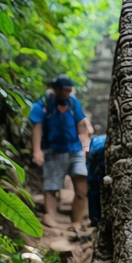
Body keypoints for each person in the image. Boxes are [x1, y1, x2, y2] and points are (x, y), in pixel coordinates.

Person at [29, 75, 94, 230]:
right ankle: (50, 218)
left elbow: (81, 124)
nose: (68, 93)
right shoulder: (43, 105)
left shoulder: (72, 103)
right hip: (53, 151)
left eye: (70, 90)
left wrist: (85, 146)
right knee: (52, 187)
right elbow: (37, 128)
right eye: (65, 90)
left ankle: (76, 222)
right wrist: (37, 151)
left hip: (75, 150)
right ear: (57, 89)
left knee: (82, 185)